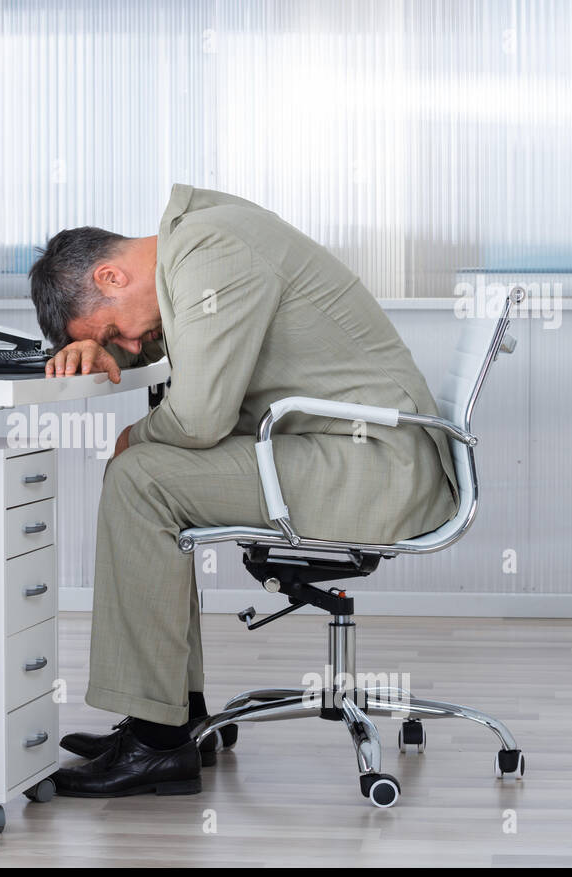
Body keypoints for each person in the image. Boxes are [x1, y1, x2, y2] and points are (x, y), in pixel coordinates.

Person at [27, 184, 458, 798]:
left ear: (110, 276)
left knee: (139, 477)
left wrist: (130, 436)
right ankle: (176, 715)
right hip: (361, 450)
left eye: (114, 330)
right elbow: (191, 340)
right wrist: (100, 344)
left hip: (378, 466)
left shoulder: (211, 250)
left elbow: (200, 419)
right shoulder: (200, 241)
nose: (129, 345)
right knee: (145, 475)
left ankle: (158, 740)